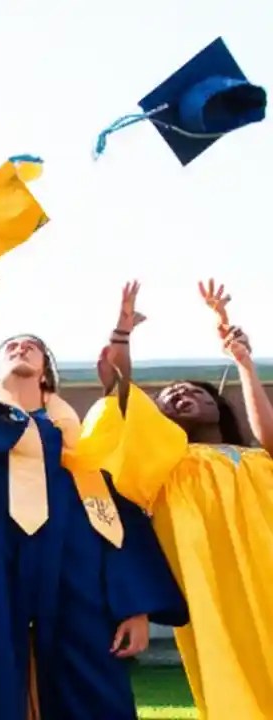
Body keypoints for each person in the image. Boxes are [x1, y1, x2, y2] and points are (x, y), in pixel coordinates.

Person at [0, 267, 187, 719]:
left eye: (33, 347)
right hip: (3, 576)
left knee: (96, 693)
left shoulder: (81, 446)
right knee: (2, 692)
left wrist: (134, 608)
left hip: (80, 582)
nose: (21, 347)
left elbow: (118, 525)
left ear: (47, 377)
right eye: (11, 346)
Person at [92, 279, 273, 719]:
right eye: (170, 395)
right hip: (213, 590)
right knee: (233, 679)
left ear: (218, 407)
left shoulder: (258, 461)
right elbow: (117, 390)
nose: (181, 393)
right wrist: (122, 330)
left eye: (196, 391)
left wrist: (245, 364)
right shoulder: (161, 460)